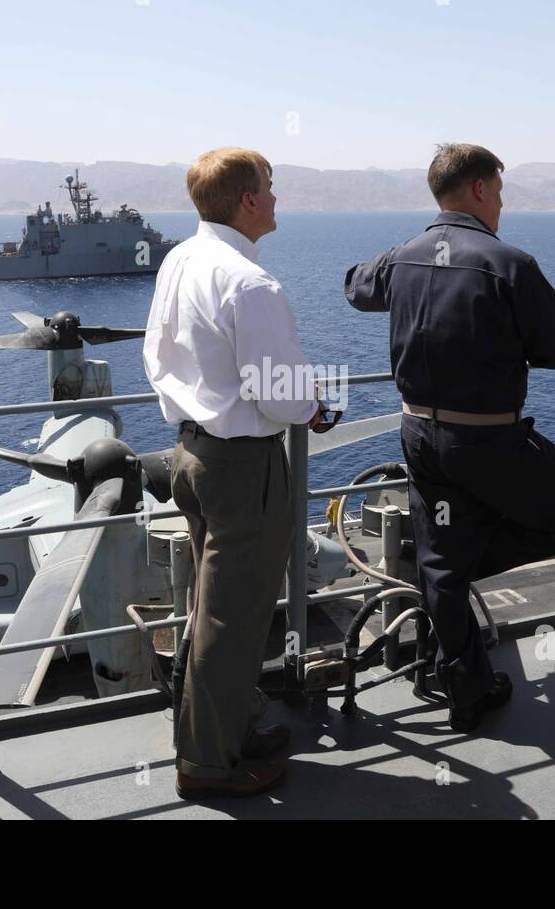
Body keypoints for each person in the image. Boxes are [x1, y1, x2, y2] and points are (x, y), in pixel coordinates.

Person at [345, 143, 555, 731]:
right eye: (501, 192)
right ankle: (457, 572)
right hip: (488, 441)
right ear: (482, 190)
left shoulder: (402, 257)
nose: (502, 205)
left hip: (419, 435)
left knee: (441, 565)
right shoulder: (509, 263)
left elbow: (355, 287)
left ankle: (468, 689)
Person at [143, 147, 337, 800]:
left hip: (190, 455)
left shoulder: (179, 260)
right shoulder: (251, 283)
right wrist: (316, 409)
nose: (277, 199)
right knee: (234, 622)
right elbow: (278, 392)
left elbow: (157, 356)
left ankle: (235, 722)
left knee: (213, 609)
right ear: (249, 200)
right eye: (271, 188)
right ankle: (207, 765)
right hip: (243, 465)